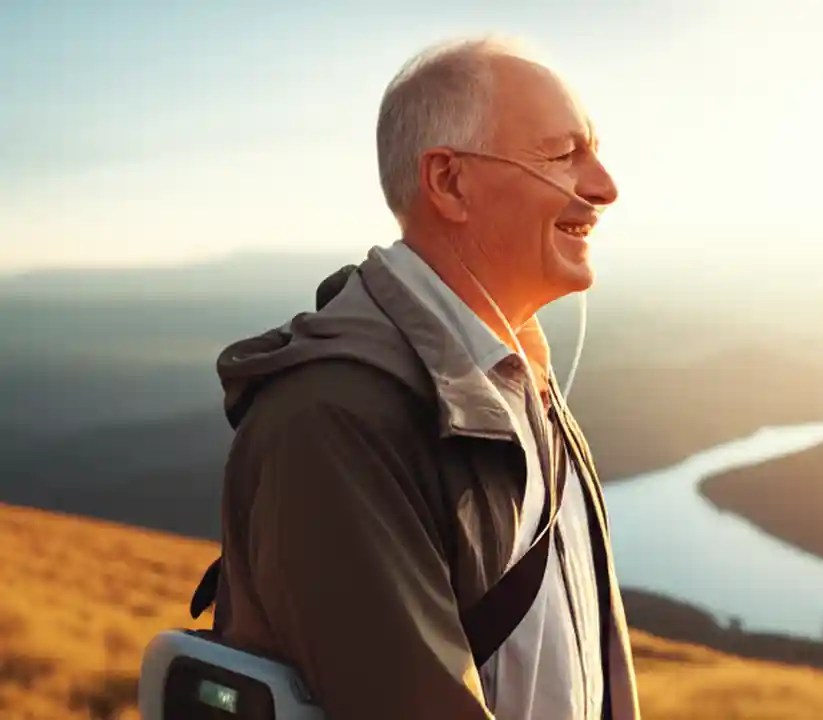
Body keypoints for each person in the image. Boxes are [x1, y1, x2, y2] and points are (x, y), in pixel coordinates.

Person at [207, 37, 640, 719]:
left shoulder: (519, 378)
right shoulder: (333, 422)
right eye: (563, 155)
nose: (605, 186)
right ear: (449, 182)